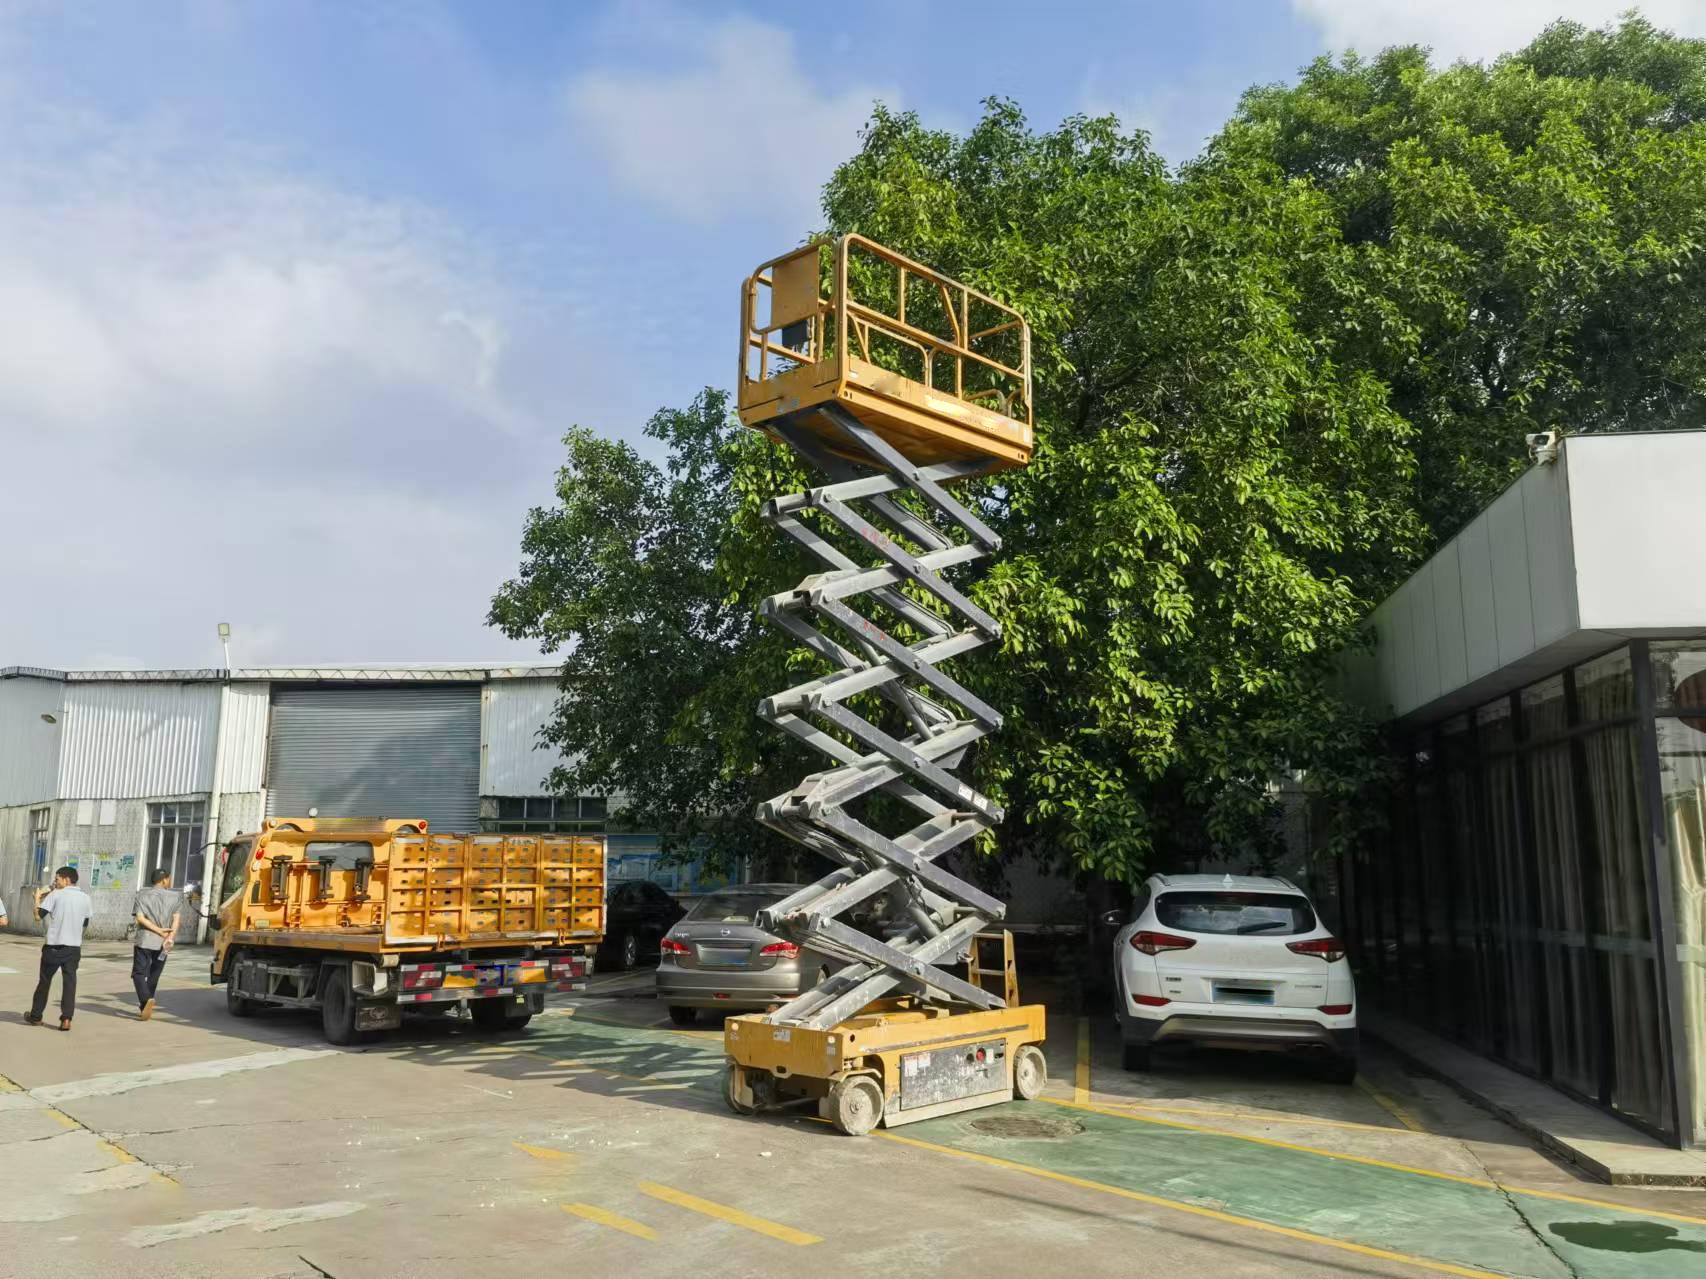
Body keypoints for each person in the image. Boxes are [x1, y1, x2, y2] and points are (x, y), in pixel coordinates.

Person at [28, 866, 93, 1031]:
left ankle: (35, 1016)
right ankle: (66, 1019)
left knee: (44, 982)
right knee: (70, 983)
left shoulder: (55, 895)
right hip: (73, 948)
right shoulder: (86, 898)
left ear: (66, 879)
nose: (55, 882)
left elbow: (37, 916)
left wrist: (37, 898)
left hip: (53, 947)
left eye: (57, 879)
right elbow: (85, 923)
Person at [132, 867, 182, 1021]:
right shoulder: (175, 897)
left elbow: (140, 918)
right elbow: (176, 920)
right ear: (165, 880)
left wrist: (158, 930)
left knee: (138, 973)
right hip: (164, 943)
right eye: (169, 878)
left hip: (145, 940)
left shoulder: (142, 895)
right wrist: (169, 937)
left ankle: (146, 1001)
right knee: (155, 973)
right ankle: (146, 1004)